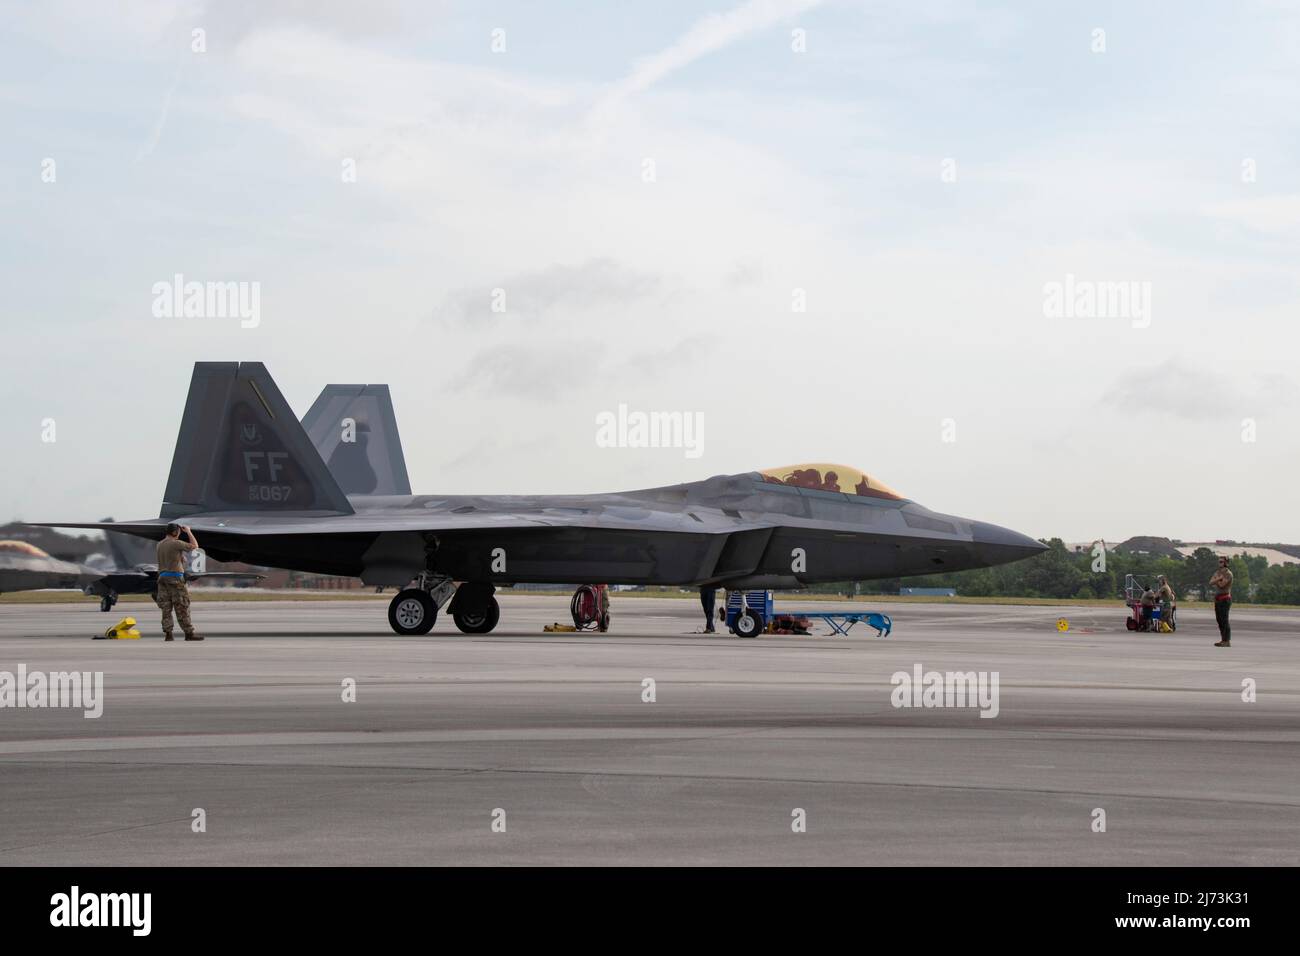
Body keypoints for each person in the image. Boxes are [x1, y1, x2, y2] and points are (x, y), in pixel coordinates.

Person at [156, 523, 203, 641]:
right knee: (182, 606)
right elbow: (195, 546)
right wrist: (188, 531)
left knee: (166, 607)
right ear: (174, 532)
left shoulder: (159, 544)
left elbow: (170, 557)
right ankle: (189, 633)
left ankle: (168, 634)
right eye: (179, 532)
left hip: (162, 578)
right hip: (175, 578)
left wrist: (180, 558)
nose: (179, 534)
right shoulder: (176, 543)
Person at [1209, 556, 1233, 647]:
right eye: (1219, 562)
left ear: (1226, 563)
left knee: (1224, 620)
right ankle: (1223, 639)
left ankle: (1227, 640)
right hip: (1218, 599)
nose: (1220, 563)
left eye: (1221, 562)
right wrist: (1219, 578)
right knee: (1219, 620)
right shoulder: (1218, 572)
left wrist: (1217, 579)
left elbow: (1222, 585)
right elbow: (1210, 582)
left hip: (1225, 599)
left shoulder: (1228, 574)